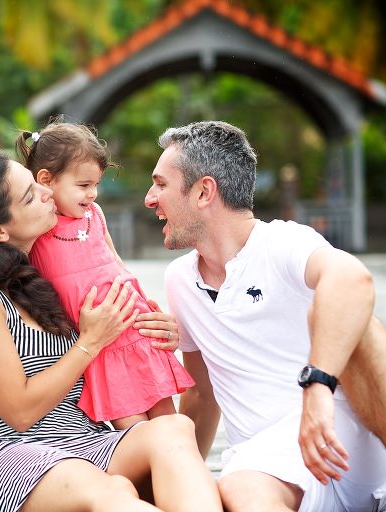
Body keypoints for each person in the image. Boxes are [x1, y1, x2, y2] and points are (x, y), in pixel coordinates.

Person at [0, 150, 222, 511]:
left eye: (38, 183)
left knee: (173, 429)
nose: (47, 193)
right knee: (110, 491)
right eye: (30, 195)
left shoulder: (53, 275)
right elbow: (20, 411)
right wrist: (89, 342)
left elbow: (117, 296)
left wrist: (152, 327)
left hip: (85, 442)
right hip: (3, 454)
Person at [144, 120, 386, 511]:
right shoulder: (179, 281)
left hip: (355, 442)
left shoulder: (282, 243)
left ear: (204, 191)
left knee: (362, 324)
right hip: (265, 467)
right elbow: (202, 395)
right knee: (241, 488)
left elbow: (355, 279)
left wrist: (318, 388)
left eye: (160, 183)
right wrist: (176, 477)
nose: (149, 198)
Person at [15, 121, 193, 430]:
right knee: (134, 430)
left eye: (96, 184)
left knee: (167, 420)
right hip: (100, 343)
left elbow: (115, 262)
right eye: (84, 185)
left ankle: (175, 473)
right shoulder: (38, 228)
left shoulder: (93, 216)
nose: (93, 194)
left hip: (135, 328)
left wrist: (144, 305)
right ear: (47, 180)